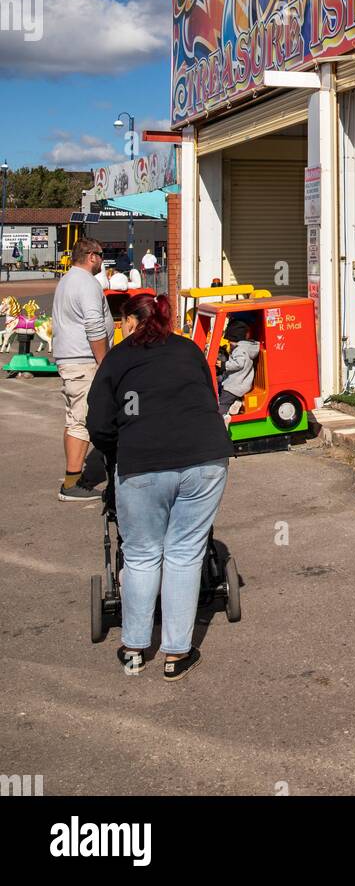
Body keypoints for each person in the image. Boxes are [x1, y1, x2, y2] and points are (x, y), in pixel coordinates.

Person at [86, 293, 232, 680]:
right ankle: (177, 654)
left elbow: (99, 423)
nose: (120, 327)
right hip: (205, 457)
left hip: (143, 464)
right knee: (184, 554)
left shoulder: (118, 358)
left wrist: (116, 450)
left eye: (121, 320)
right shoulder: (188, 351)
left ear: (133, 321)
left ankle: (135, 648)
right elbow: (208, 399)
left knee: (141, 555)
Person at [51, 237, 114, 500]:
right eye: (102, 254)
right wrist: (105, 362)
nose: (103, 260)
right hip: (84, 362)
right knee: (81, 422)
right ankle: (71, 483)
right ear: (91, 256)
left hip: (71, 360)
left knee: (73, 418)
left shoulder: (67, 279)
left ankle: (74, 475)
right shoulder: (87, 283)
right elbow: (94, 325)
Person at [217, 318, 259, 418]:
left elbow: (239, 363)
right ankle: (237, 402)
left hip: (235, 385)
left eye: (230, 340)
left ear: (236, 339)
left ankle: (220, 418)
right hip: (242, 384)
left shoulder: (240, 350)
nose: (228, 343)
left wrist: (223, 365)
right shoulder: (246, 348)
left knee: (223, 401)